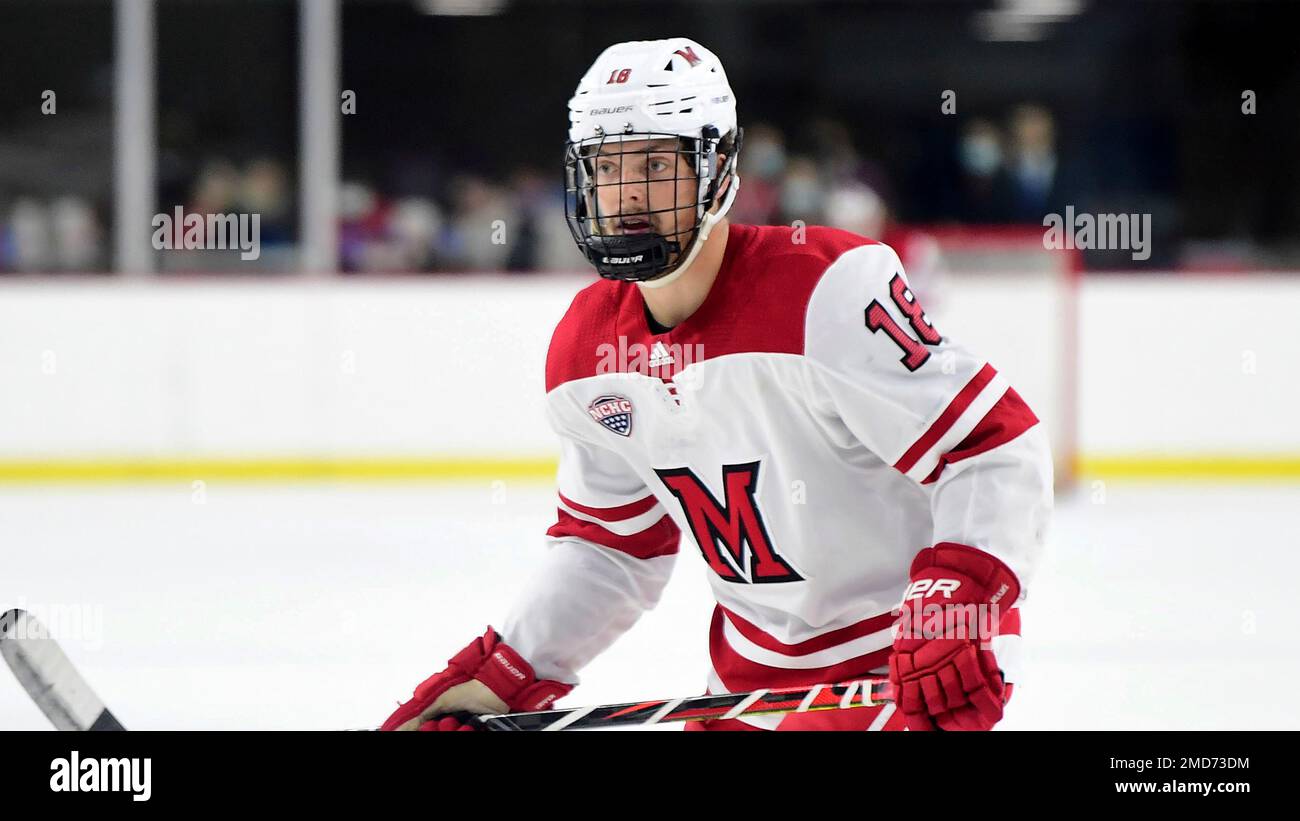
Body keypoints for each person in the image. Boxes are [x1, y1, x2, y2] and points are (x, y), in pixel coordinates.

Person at [380, 38, 1052, 732]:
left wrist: (963, 595)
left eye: (655, 162)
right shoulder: (587, 351)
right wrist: (506, 672)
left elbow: (994, 448)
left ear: (718, 166)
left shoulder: (825, 288)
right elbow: (610, 549)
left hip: (903, 677)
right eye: (607, 166)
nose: (629, 192)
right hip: (748, 693)